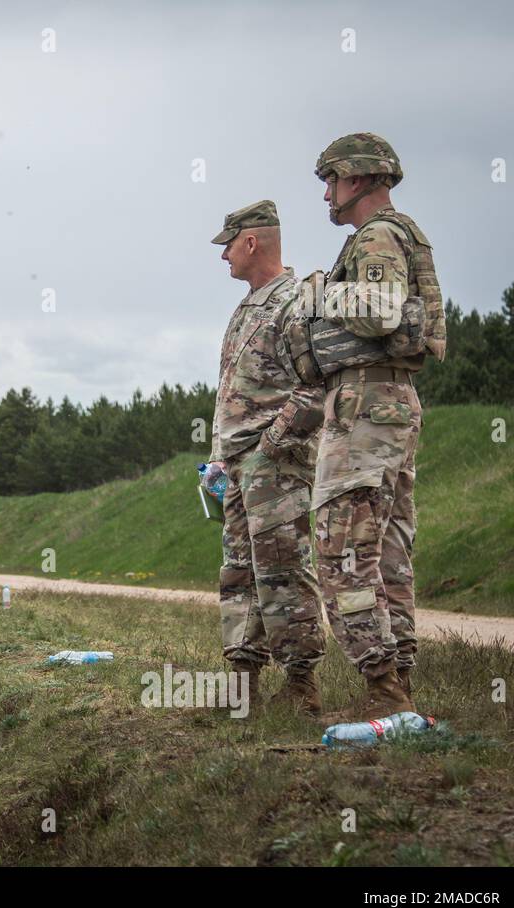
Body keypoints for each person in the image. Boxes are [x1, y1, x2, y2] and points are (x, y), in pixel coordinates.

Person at [305, 132, 446, 720]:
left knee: (341, 551)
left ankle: (385, 688)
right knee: (386, 551)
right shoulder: (399, 233)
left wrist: (321, 293)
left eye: (331, 181)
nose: (328, 195)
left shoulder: (379, 236)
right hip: (389, 401)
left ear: (357, 178)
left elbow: (380, 310)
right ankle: (398, 688)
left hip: (364, 405)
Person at [206, 200, 327, 716]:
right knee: (239, 571)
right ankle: (243, 680)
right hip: (236, 466)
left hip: (275, 464)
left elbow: (317, 388)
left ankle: (302, 686)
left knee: (282, 571)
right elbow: (231, 391)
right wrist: (219, 456)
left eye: (227, 244)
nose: (223, 256)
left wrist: (268, 449)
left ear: (251, 242)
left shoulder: (296, 304)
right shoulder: (246, 307)